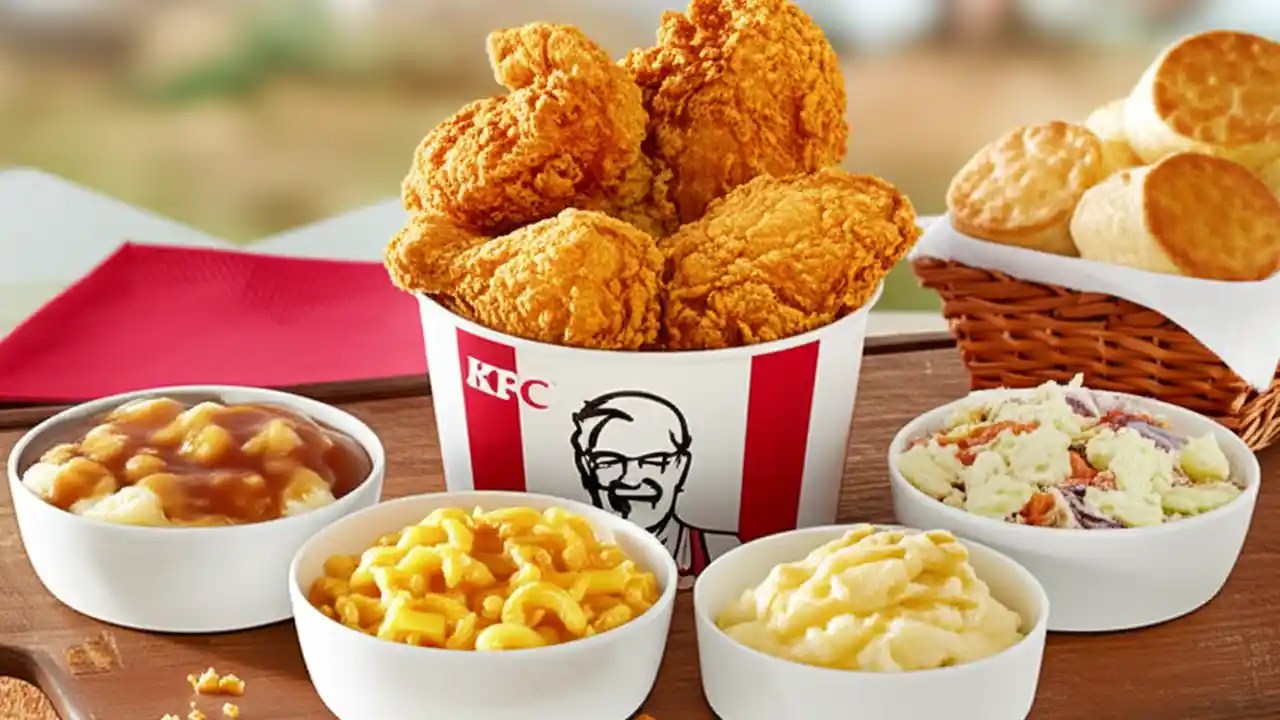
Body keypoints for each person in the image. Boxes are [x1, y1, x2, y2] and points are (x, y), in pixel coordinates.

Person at [571, 390, 739, 583]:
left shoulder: (724, 552)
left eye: (654, 461)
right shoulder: (556, 555)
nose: (631, 481)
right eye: (609, 461)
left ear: (680, 466)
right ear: (585, 467)